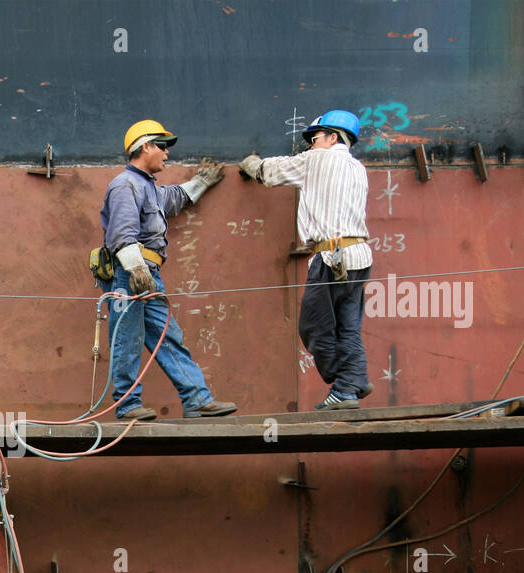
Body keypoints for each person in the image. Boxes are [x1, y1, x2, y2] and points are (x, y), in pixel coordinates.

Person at [100, 120, 235, 421]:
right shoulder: (125, 185)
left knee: (167, 336)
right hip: (130, 274)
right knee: (127, 337)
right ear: (145, 146)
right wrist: (135, 269)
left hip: (148, 274)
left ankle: (197, 399)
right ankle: (127, 404)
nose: (166, 153)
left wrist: (202, 181)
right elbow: (122, 234)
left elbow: (174, 199)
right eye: (162, 146)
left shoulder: (147, 186)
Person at [240, 110, 374, 410]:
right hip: (360, 256)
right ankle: (354, 379)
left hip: (331, 256)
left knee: (313, 325)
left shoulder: (316, 160)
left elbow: (272, 171)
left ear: (333, 137)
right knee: (348, 327)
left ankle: (345, 385)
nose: (310, 146)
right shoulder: (358, 168)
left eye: (314, 139)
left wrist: (252, 165)